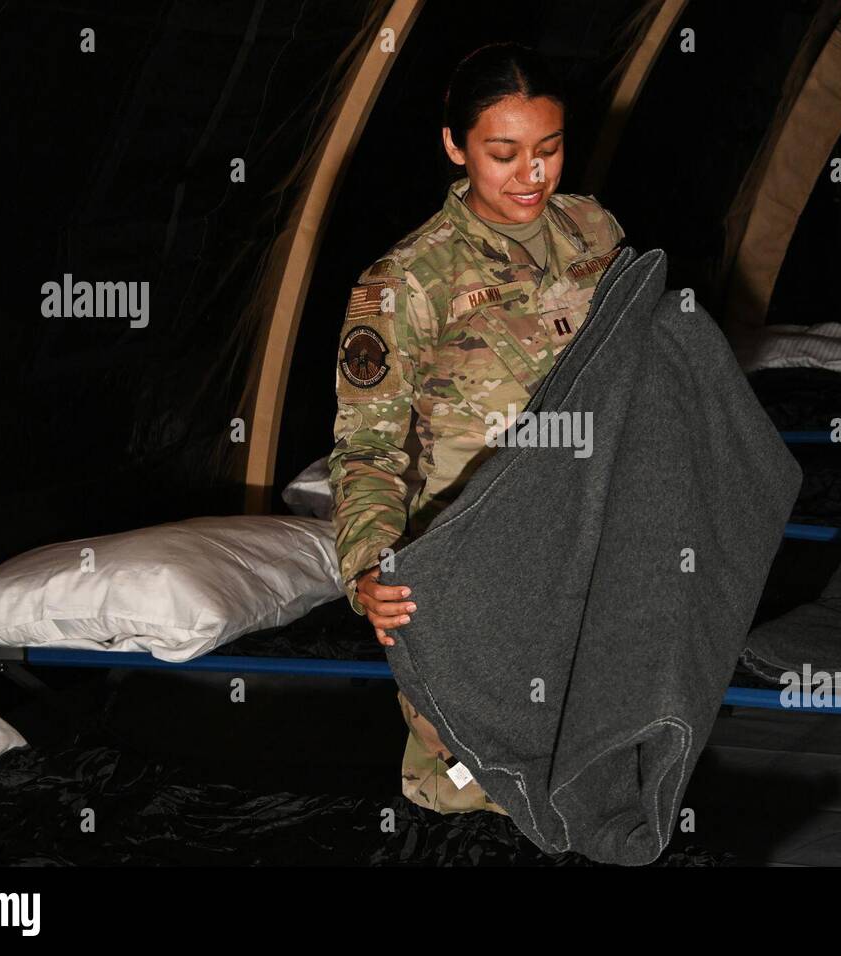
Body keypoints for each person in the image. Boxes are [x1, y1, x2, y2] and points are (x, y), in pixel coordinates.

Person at [326, 42, 625, 816]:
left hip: (593, 557)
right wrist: (368, 567)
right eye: (504, 153)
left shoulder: (595, 234)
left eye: (550, 149)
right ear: (456, 147)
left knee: (598, 791)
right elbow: (367, 448)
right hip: (469, 576)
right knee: (475, 802)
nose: (533, 174)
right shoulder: (407, 282)